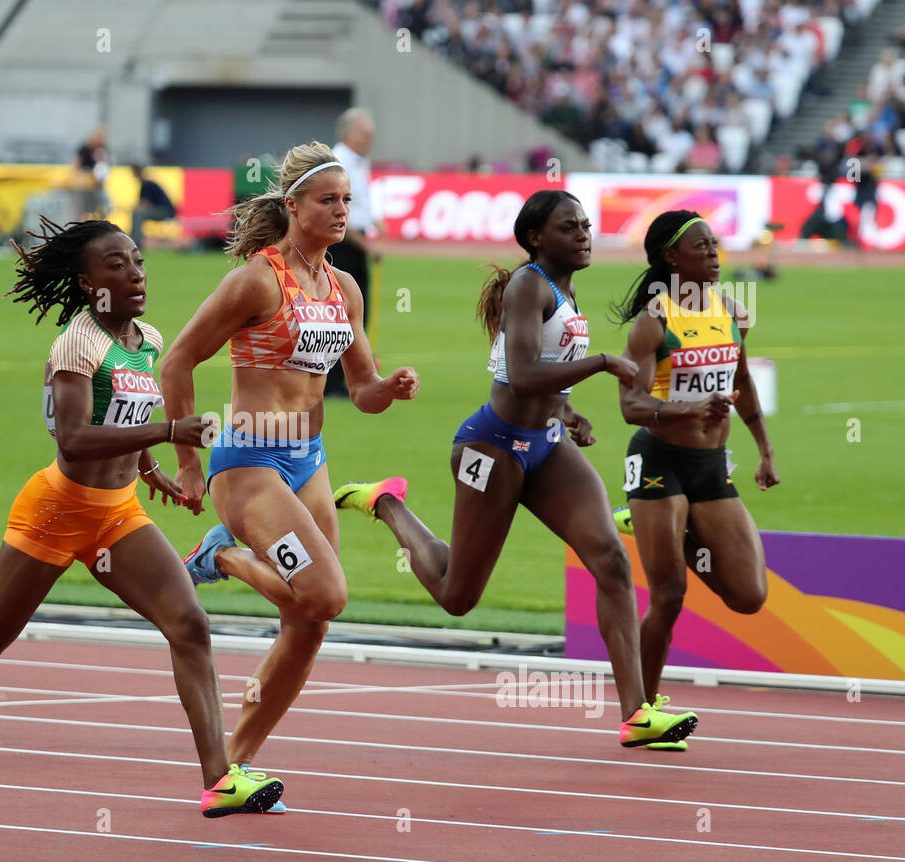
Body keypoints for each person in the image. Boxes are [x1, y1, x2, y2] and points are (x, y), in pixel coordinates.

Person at [0, 216, 283, 817]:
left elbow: (123, 414)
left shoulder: (149, 339)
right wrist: (171, 431)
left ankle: (219, 779)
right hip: (57, 510)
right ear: (89, 284)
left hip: (118, 515)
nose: (135, 273)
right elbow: (73, 437)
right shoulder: (77, 342)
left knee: (189, 624)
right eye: (117, 265)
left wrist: (149, 469)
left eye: (138, 260)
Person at [333, 190, 698, 750]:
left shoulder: (563, 289)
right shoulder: (529, 285)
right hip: (493, 448)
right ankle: (385, 502)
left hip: (547, 444)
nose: (584, 234)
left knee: (609, 560)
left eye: (585, 225)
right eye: (569, 227)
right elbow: (523, 374)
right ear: (535, 239)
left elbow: (537, 376)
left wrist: (568, 411)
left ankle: (637, 713)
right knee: (458, 595)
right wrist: (600, 362)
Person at [160, 141, 419, 790]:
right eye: (327, 201)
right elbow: (177, 362)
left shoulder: (344, 288)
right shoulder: (256, 279)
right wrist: (188, 467)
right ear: (293, 205)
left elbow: (361, 388)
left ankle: (231, 767)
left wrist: (388, 389)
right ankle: (220, 557)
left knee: (308, 626)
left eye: (346, 201)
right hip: (249, 461)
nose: (340, 211)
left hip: (309, 460)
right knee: (325, 594)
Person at [613, 211, 778, 745]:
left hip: (710, 467)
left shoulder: (733, 312)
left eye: (715, 244)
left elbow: (743, 380)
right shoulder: (653, 322)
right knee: (670, 595)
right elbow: (631, 405)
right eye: (701, 245)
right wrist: (683, 409)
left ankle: (654, 527)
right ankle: (642, 715)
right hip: (659, 461)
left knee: (749, 594)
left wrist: (764, 452)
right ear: (670, 257)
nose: (713, 252)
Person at [324, 107, 381, 398]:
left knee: (355, 313)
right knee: (340, 313)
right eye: (365, 133)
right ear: (348, 133)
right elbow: (338, 215)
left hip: (355, 243)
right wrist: (367, 243)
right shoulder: (339, 162)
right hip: (343, 246)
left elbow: (357, 207)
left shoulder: (357, 162)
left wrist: (373, 223)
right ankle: (332, 382)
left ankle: (348, 378)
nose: (371, 138)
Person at [129, 164, 176, 248]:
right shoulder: (146, 183)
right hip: (163, 209)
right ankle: (135, 239)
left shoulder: (146, 183)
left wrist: (131, 209)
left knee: (138, 215)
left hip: (165, 211)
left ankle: (136, 242)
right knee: (137, 214)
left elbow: (144, 204)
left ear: (137, 172)